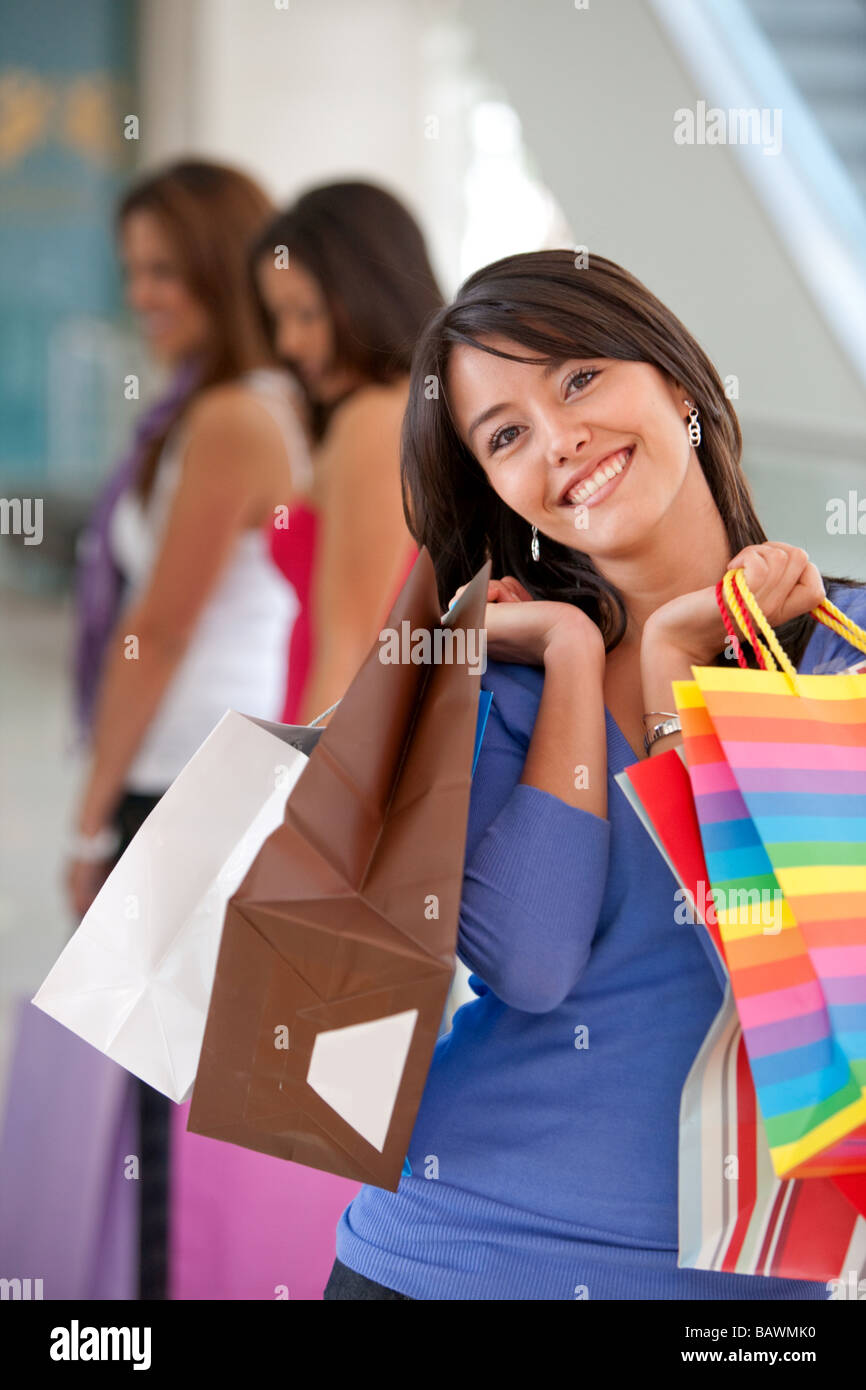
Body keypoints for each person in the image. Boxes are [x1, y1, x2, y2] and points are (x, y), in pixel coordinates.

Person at [323, 249, 866, 1300]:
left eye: (577, 378)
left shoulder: (846, 651)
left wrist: (672, 673)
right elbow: (529, 965)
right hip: (445, 1256)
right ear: (492, 486)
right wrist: (573, 653)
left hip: (737, 1294)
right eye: (506, 434)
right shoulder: (497, 687)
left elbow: (782, 975)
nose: (560, 439)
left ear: (673, 380)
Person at [65, 159, 313, 1299]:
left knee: (162, 1102)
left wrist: (85, 819)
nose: (146, 295)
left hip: (186, 784)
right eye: (133, 273)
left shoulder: (224, 418)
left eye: (167, 270)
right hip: (216, 775)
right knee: (176, 1094)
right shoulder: (242, 406)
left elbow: (153, 634)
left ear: (223, 267)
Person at [252, 181, 445, 725]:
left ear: (370, 292)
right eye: (278, 318)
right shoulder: (406, 408)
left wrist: (297, 795)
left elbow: (352, 646)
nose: (288, 343)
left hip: (329, 737)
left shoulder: (375, 420)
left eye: (306, 315)